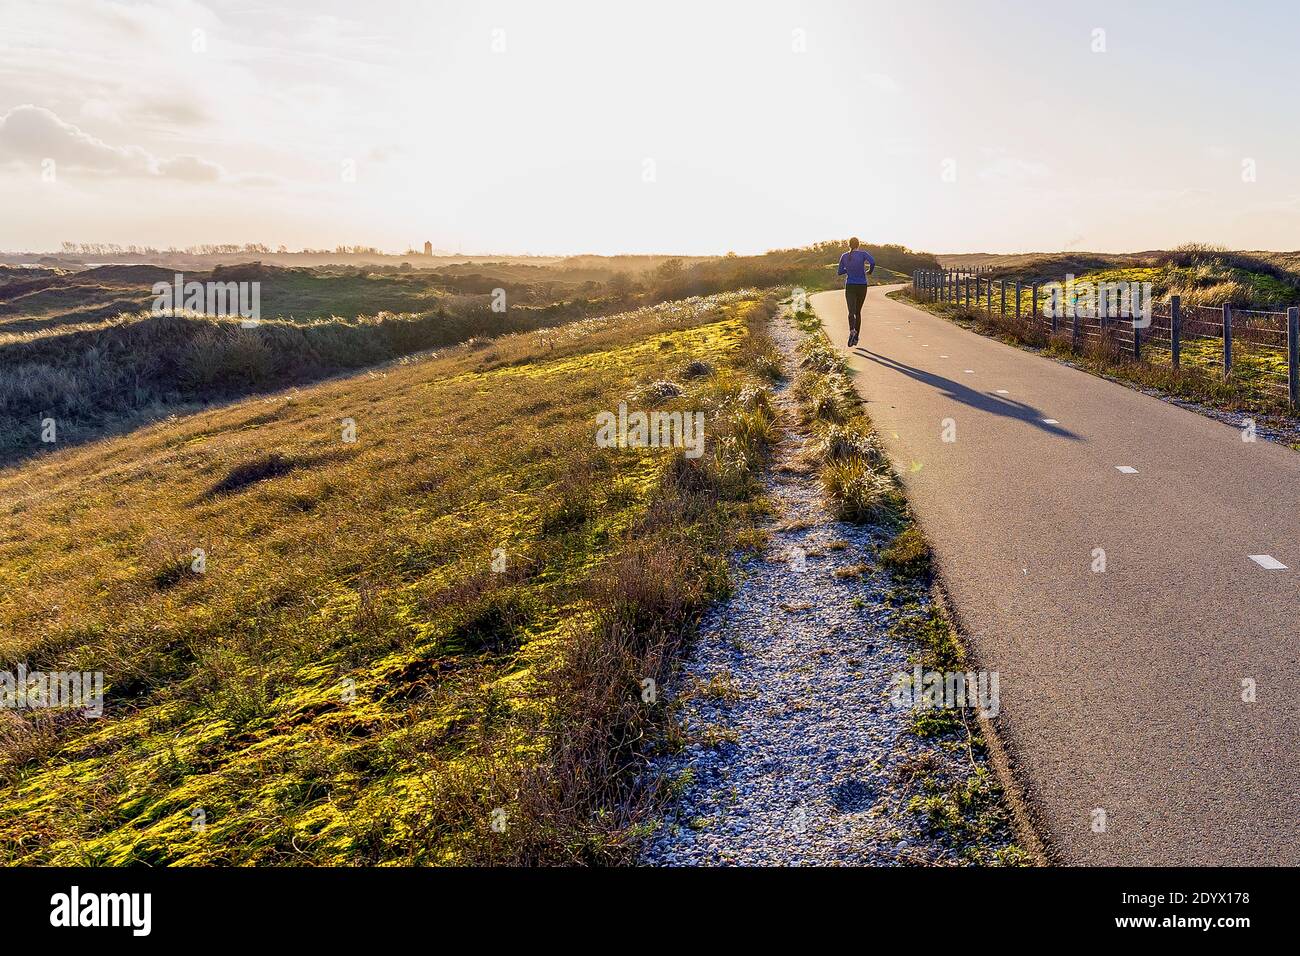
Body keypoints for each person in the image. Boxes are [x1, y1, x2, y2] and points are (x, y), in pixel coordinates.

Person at [837, 237, 875, 347]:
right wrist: (869, 271)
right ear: (858, 245)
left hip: (850, 285)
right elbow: (872, 262)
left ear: (849, 245)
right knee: (858, 312)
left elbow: (839, 272)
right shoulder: (863, 254)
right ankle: (856, 337)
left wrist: (848, 269)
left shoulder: (844, 256)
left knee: (851, 312)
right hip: (862, 285)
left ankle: (852, 331)